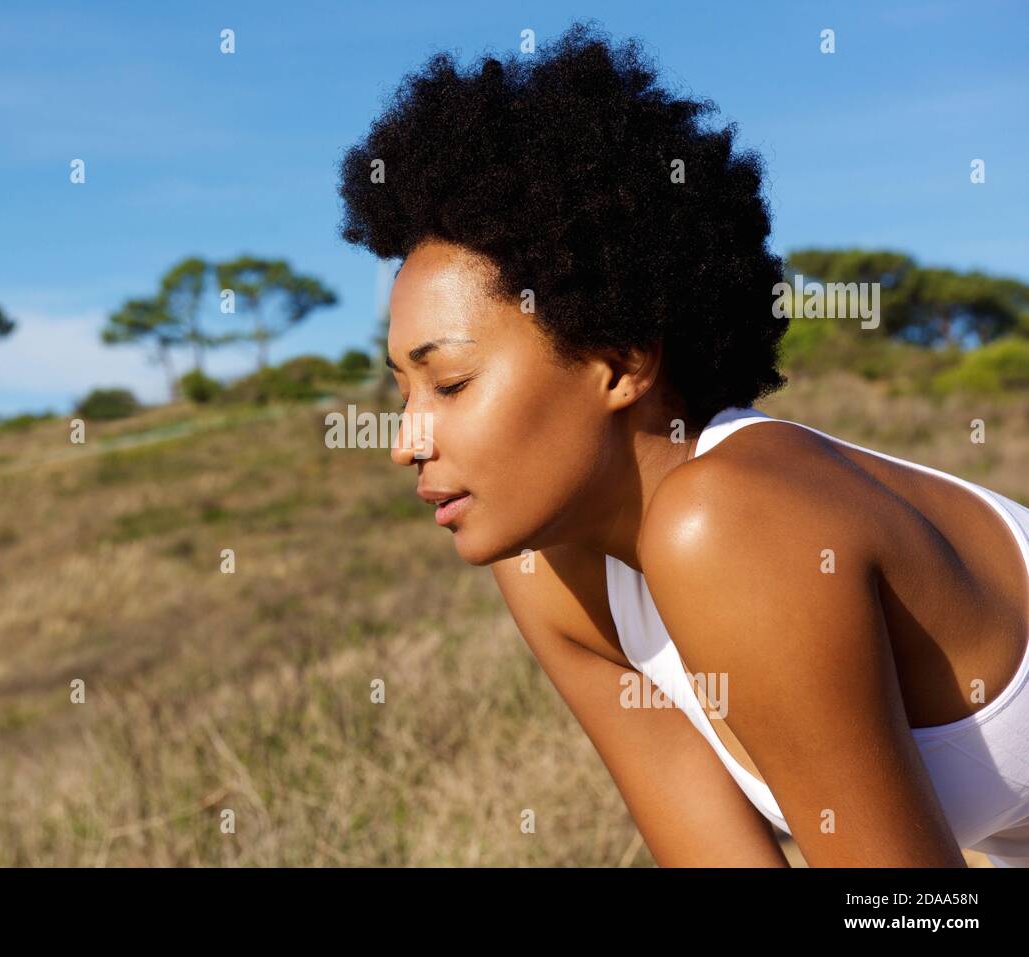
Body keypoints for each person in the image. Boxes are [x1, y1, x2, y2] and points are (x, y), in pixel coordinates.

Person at [335, 21, 1029, 867]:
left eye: (449, 384)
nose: (405, 441)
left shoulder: (732, 515)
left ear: (620, 361)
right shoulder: (544, 572)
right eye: (401, 391)